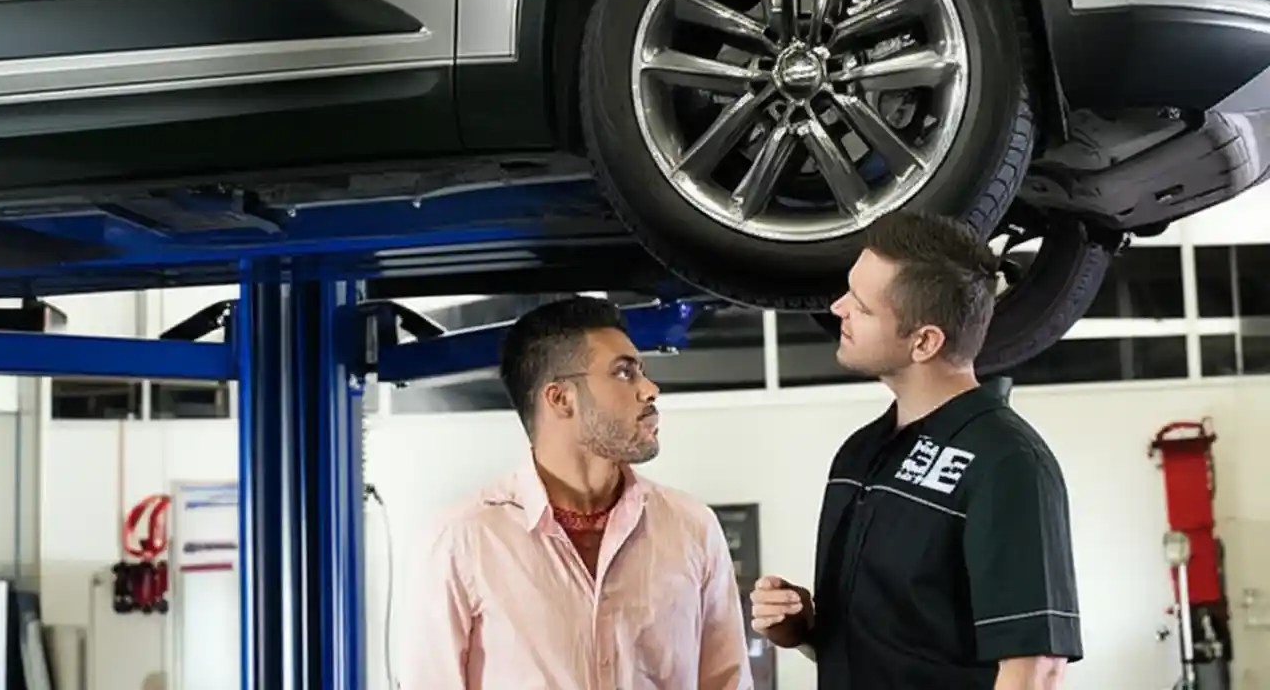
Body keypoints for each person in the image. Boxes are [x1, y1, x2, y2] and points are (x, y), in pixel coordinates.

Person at [750, 212, 1083, 689]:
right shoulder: (858, 456)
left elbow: (1037, 666)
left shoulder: (1006, 462)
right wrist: (800, 626)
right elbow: (884, 648)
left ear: (924, 341)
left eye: (861, 307)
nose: (838, 306)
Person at [410, 296, 754, 690]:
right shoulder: (461, 541)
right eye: (625, 373)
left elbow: (727, 682)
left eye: (641, 372)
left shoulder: (693, 528)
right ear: (561, 399)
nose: (650, 389)